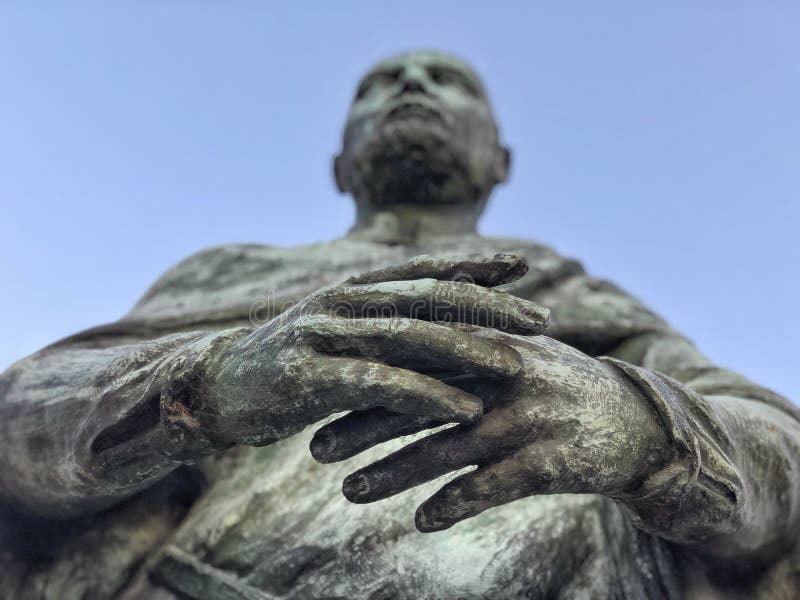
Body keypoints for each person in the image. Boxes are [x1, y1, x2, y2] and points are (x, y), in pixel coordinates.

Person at [1, 51, 798, 599]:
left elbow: (779, 463)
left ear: (501, 161)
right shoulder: (224, 272)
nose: (412, 84)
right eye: (379, 83)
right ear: (340, 164)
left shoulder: (584, 298)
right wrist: (203, 386)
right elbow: (18, 424)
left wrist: (646, 428)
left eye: (449, 80)